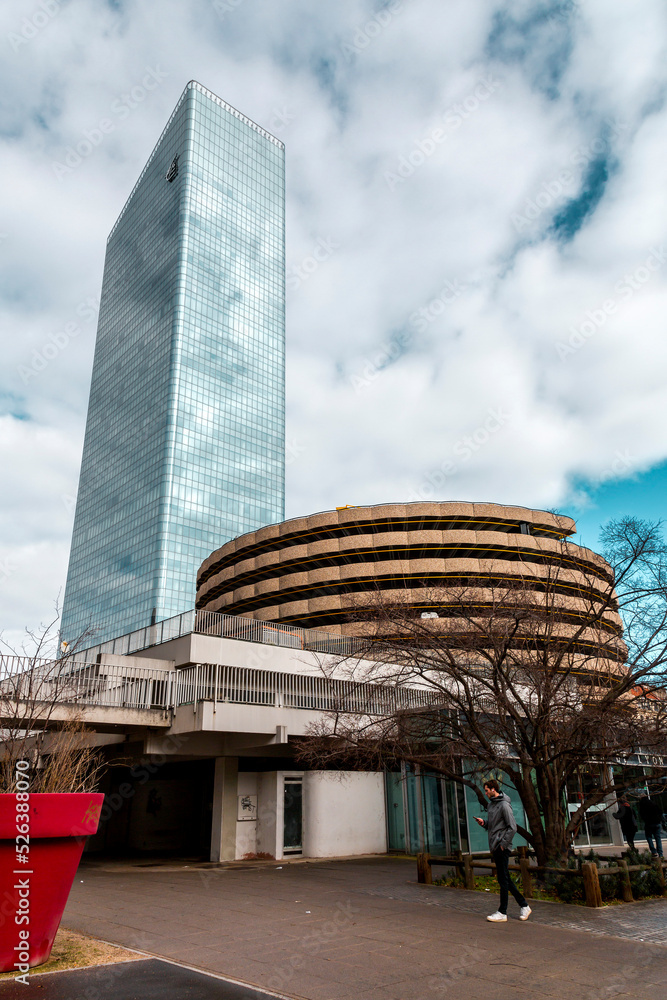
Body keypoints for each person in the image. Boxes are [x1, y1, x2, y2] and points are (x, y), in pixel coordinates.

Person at [474, 779, 531, 923]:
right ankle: (524, 905)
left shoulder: (504, 805)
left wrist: (503, 845)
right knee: (504, 878)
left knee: (503, 879)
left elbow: (513, 827)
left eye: (487, 790)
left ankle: (502, 911)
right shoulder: (492, 805)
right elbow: (494, 825)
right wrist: (484, 823)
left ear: (494, 789)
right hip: (495, 845)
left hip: (501, 846)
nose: (485, 793)